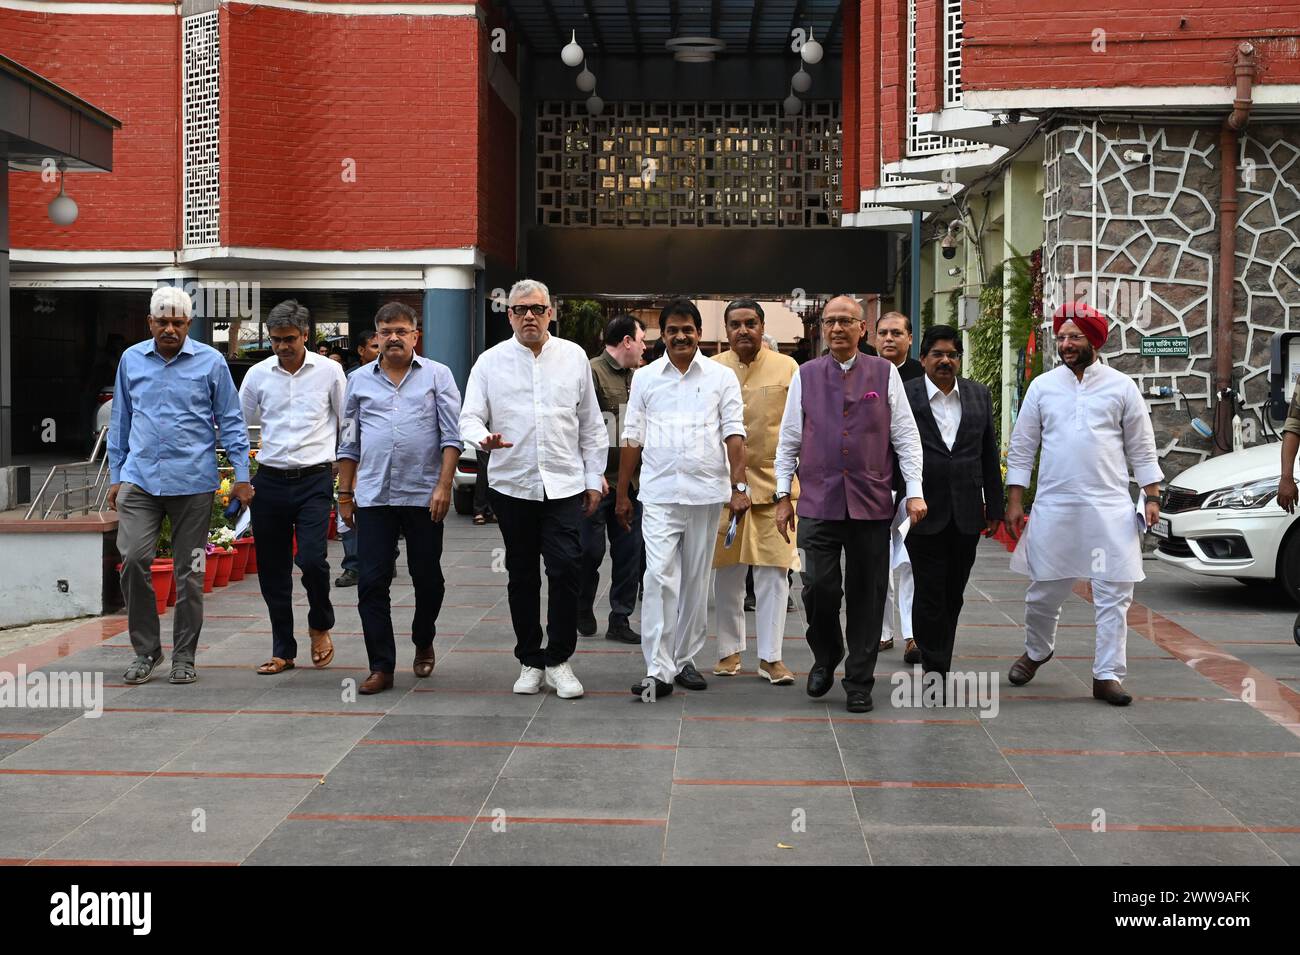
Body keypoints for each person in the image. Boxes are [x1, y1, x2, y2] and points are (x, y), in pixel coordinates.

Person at [1004, 302, 1162, 706]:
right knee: (1043, 593)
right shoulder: (1043, 387)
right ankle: (1038, 650)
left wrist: (1152, 495)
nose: (1066, 344)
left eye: (1074, 337)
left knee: (1114, 594)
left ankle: (1107, 674)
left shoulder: (1121, 387)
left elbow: (1142, 446)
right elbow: (1023, 446)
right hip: (1055, 506)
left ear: (1094, 340)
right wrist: (1015, 500)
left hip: (1108, 508)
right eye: (1061, 337)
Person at [774, 295, 926, 712]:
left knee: (868, 594)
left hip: (871, 503)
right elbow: (789, 439)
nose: (837, 328)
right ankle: (826, 655)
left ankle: (859, 679)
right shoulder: (806, 374)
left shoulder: (884, 372)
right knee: (817, 587)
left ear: (863, 328)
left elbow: (905, 436)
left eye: (846, 321)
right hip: (818, 502)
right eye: (830, 321)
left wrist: (914, 490)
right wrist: (782, 496)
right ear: (822, 328)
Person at [459, 279, 607, 700]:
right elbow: (468, 417)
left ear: (550, 313)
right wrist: (482, 438)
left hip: (564, 485)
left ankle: (558, 660)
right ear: (509, 315)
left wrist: (593, 478)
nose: (529, 316)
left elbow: (591, 424)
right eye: (521, 309)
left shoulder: (573, 357)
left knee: (565, 568)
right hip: (513, 484)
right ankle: (529, 659)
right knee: (522, 574)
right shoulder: (489, 363)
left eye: (537, 309)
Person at [107, 286, 252, 686]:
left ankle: (184, 656)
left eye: (177, 322)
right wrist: (116, 477)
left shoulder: (211, 361)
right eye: (162, 322)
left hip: (193, 483)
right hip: (139, 480)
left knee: (191, 571)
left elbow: (231, 420)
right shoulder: (131, 359)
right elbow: (121, 420)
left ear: (189, 323)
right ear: (149, 322)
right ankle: (146, 651)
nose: (169, 329)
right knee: (134, 560)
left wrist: (242, 476)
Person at [618, 297, 749, 698]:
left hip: (706, 493)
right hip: (659, 494)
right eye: (672, 330)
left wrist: (739, 488)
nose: (680, 336)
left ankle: (685, 659)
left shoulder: (721, 377)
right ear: (662, 334)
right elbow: (632, 436)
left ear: (699, 333)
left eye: (687, 329)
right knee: (658, 577)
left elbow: (734, 433)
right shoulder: (645, 378)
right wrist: (622, 493)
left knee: (695, 581)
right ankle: (658, 669)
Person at [336, 302, 462, 694]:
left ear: (415, 336)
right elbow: (348, 440)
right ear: (376, 336)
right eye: (386, 331)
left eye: (401, 331)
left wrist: (444, 486)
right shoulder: (358, 380)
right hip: (374, 497)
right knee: (371, 582)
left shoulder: (438, 375)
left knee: (429, 579)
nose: (393, 338)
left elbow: (452, 436)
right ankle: (381, 666)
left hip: (425, 496)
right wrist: (344, 493)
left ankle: (423, 638)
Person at [239, 300, 347, 676]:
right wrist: (241, 477)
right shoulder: (257, 375)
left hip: (314, 479)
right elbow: (238, 424)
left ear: (305, 335)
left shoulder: (330, 371)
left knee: (313, 560)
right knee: (273, 569)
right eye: (276, 340)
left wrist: (344, 465)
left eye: (289, 338)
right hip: (269, 480)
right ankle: (283, 649)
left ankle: (320, 624)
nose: (282, 346)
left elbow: (346, 420)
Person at [902, 324, 1003, 683]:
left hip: (966, 511)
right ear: (923, 358)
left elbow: (988, 452)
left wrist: (995, 507)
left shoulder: (978, 394)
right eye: (937, 354)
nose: (945, 361)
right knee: (929, 588)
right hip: (921, 509)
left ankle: (937, 652)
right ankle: (936, 665)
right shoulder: (905, 394)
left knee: (953, 591)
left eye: (952, 355)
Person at [711, 300, 799, 686]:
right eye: (735, 324)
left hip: (776, 488)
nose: (743, 330)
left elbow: (799, 427)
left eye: (751, 323)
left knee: (774, 574)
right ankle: (728, 651)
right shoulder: (711, 369)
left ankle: (771, 658)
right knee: (727, 573)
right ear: (727, 329)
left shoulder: (788, 368)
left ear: (762, 327)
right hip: (723, 488)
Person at [579, 314, 647, 644]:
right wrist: (590, 471)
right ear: (627, 342)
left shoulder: (640, 378)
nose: (645, 347)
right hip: (598, 482)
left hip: (630, 484)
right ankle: (582, 605)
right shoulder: (591, 371)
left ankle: (620, 618)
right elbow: (582, 423)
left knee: (629, 555)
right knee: (589, 551)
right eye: (642, 340)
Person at [874, 310, 924, 659]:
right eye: (883, 333)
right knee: (875, 560)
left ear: (910, 338)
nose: (889, 338)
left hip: (911, 484)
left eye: (896, 333)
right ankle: (881, 631)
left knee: (909, 562)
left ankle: (912, 633)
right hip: (872, 483)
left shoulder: (923, 378)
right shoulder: (865, 372)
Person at [335, 329, 381, 588]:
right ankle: (352, 566)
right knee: (350, 509)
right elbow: (346, 422)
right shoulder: (351, 378)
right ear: (362, 351)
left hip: (383, 462)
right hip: (355, 456)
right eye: (374, 346)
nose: (379, 350)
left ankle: (386, 557)